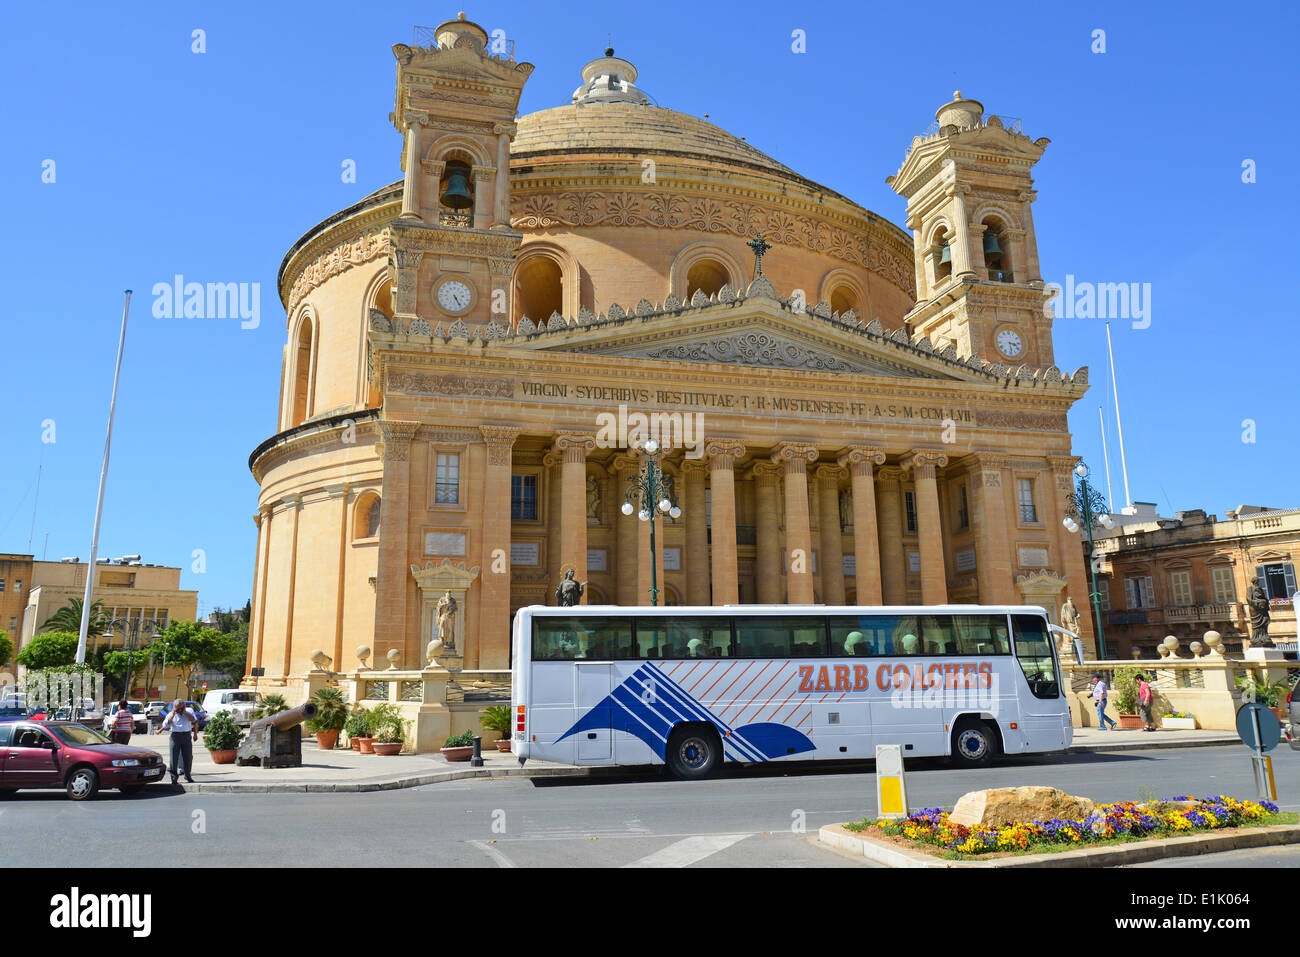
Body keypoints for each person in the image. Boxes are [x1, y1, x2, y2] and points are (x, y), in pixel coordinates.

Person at [161, 698, 200, 785]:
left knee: (188, 757)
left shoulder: (189, 711)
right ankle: (174, 778)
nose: (179, 710)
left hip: (186, 735)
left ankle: (188, 775)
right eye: (177, 709)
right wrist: (173, 714)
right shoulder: (171, 714)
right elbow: (165, 725)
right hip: (175, 736)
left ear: (184, 706)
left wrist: (185, 712)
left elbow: (194, 721)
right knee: (174, 758)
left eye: (181, 708)